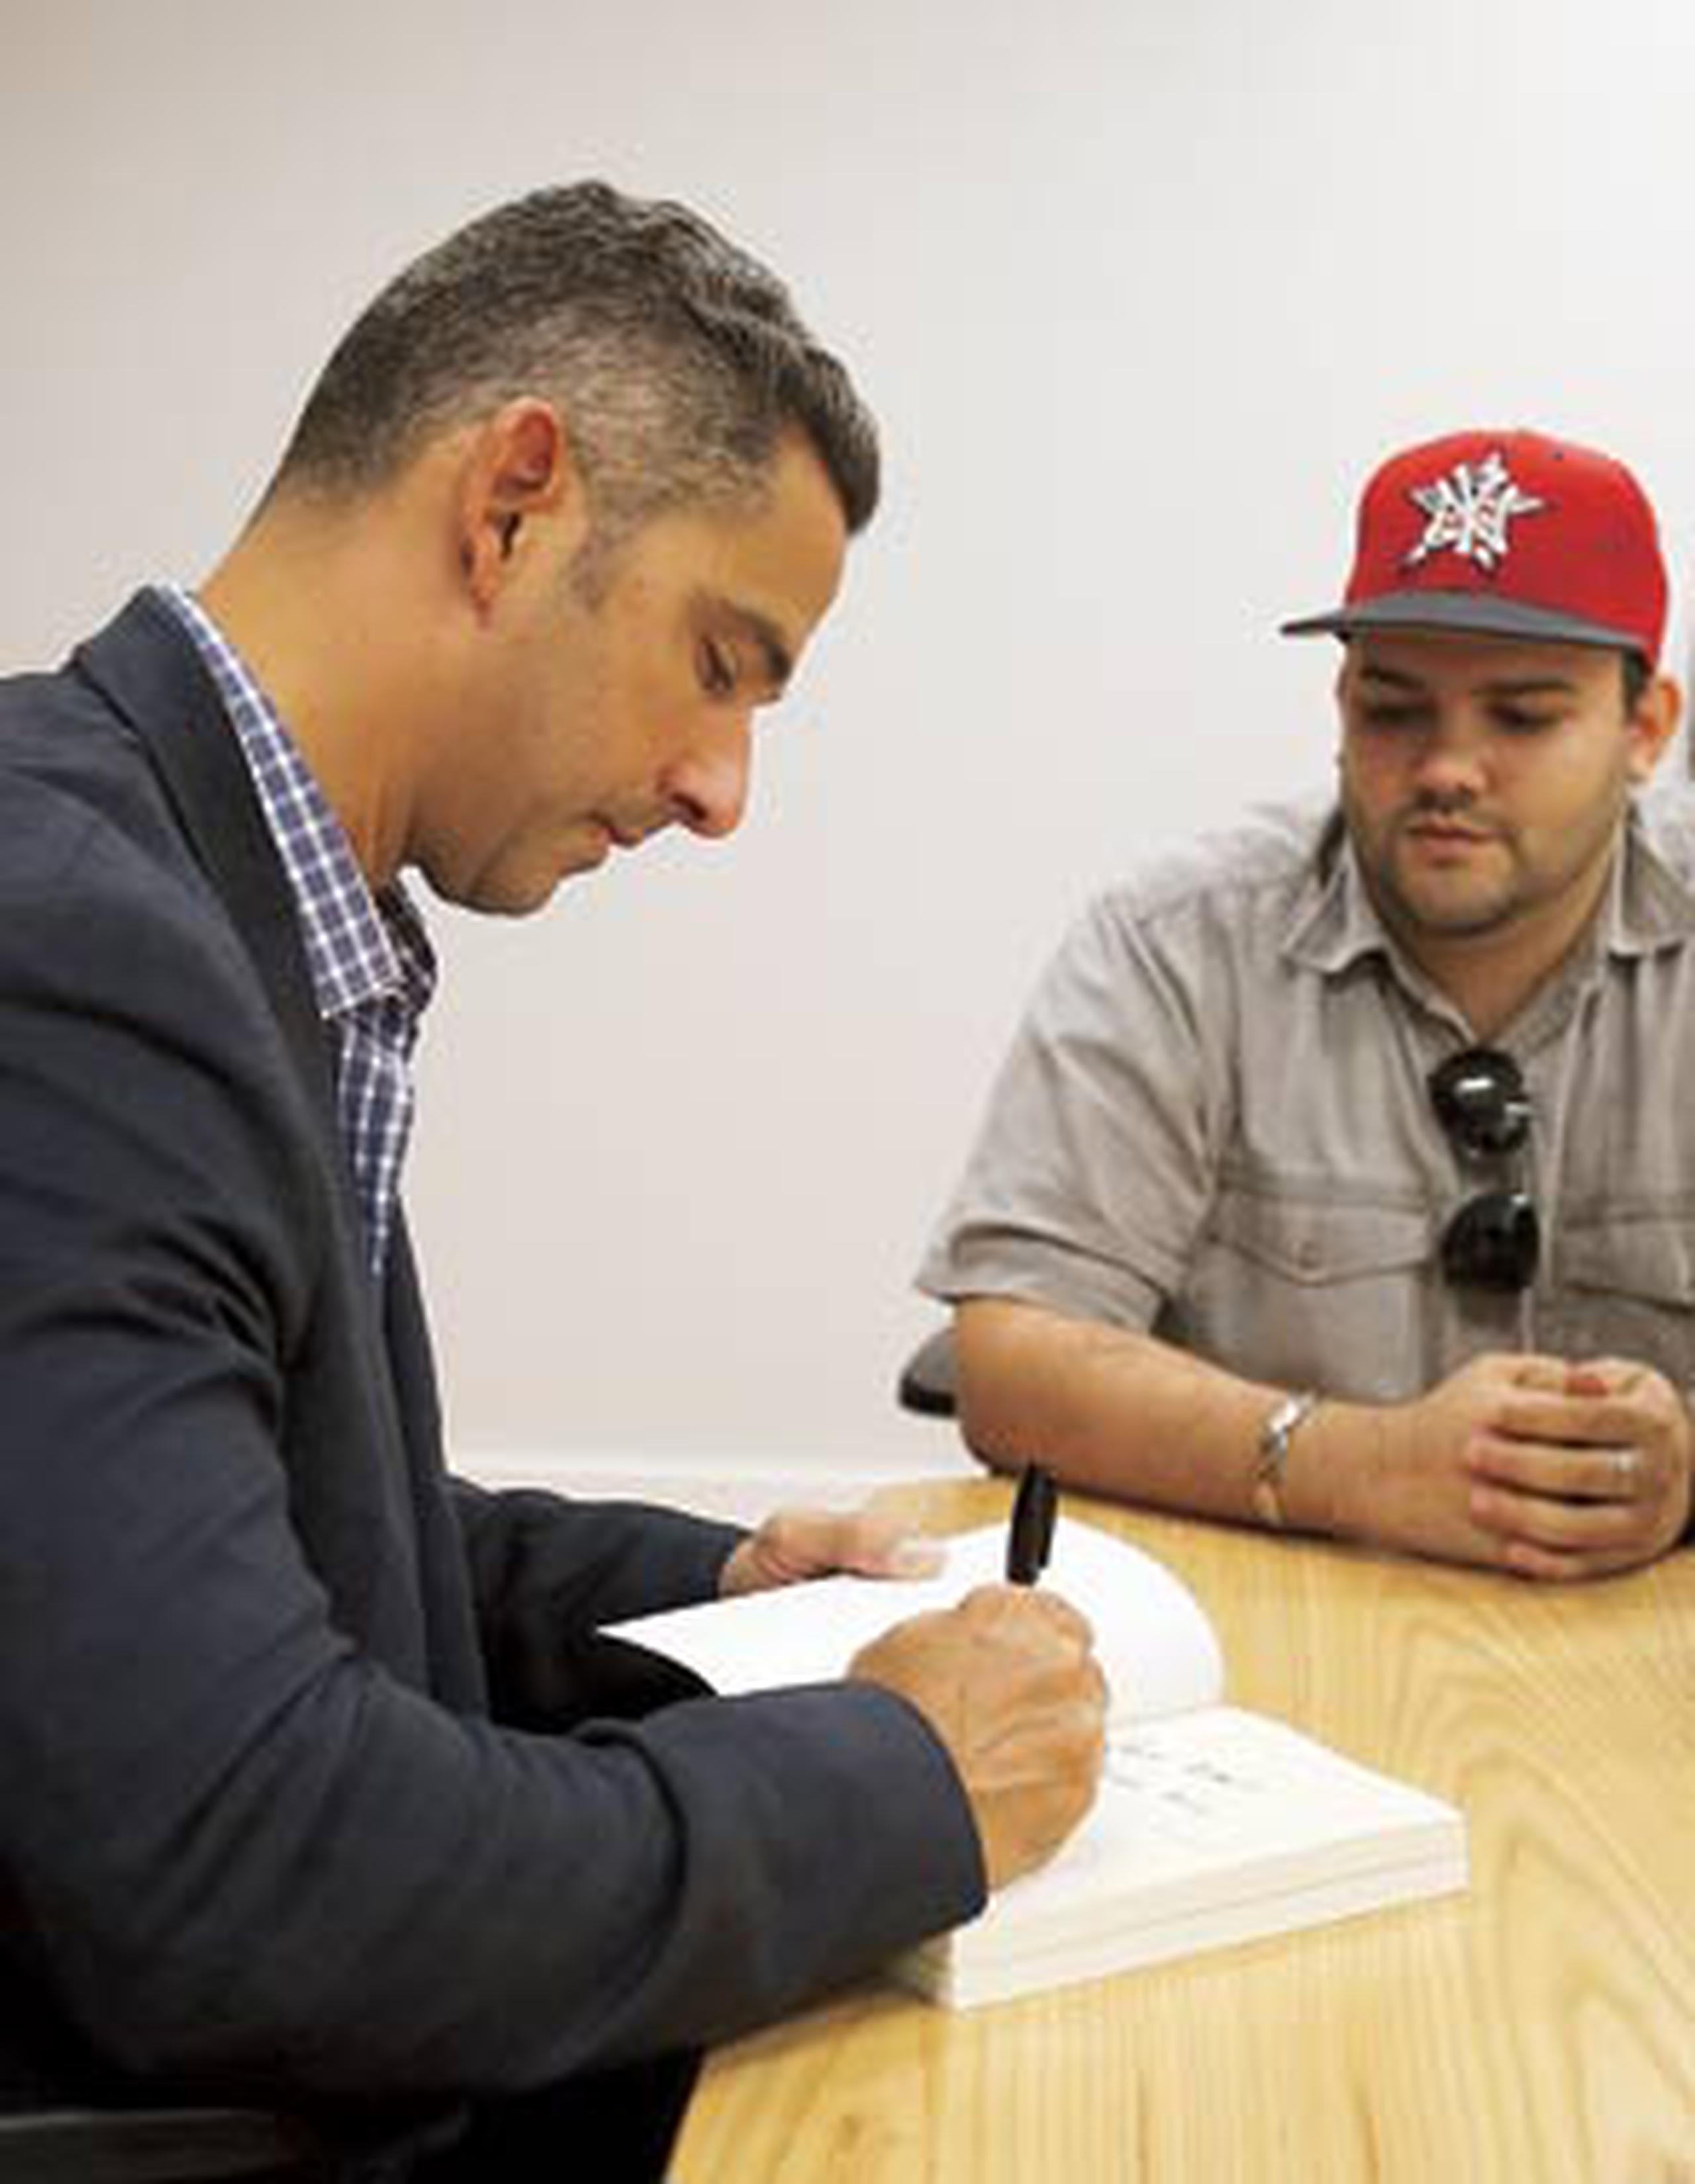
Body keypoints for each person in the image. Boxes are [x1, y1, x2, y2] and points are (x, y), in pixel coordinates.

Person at [0, 182, 1108, 2181]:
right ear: (514, 502)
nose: (719, 792)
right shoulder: (63, 945)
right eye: (720, 661)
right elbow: (248, 1870)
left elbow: (224, 1520)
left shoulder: (192, 888)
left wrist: (706, 1592)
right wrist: (901, 1778)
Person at [920, 426, 1695, 1585]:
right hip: (1268, 1642)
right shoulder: (1174, 941)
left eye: (1523, 717)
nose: (1448, 767)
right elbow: (1011, 1359)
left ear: (1646, 730)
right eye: (1394, 710)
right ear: (1340, 702)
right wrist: (1356, 1464)